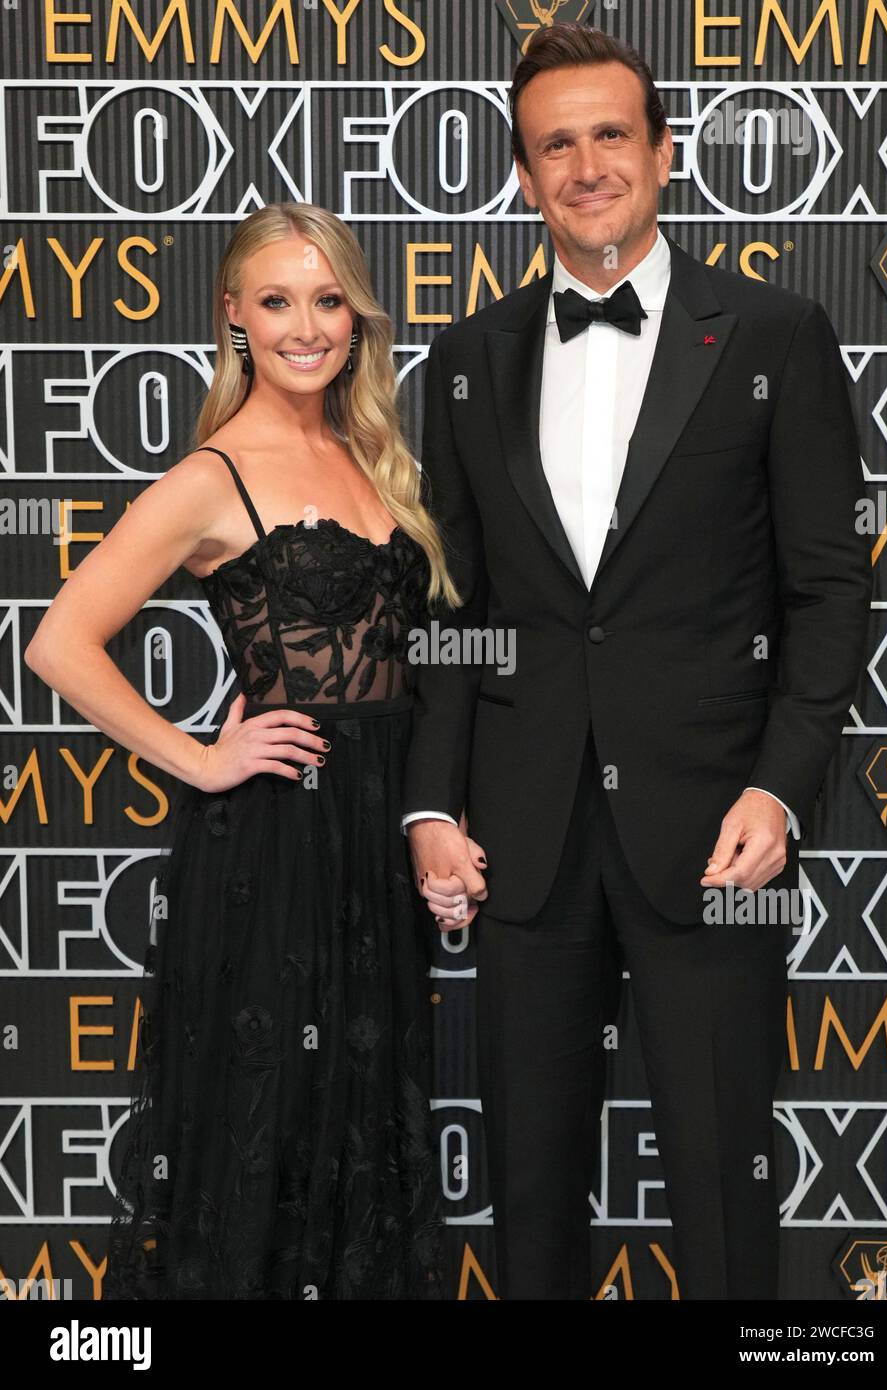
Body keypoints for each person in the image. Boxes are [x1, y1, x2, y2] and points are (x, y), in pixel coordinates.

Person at [402, 26, 872, 1299]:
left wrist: (777, 791)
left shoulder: (776, 335)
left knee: (724, 1197)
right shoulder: (465, 362)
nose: (588, 163)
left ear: (665, 156)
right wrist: (433, 803)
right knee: (532, 1203)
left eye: (613, 134)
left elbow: (830, 590)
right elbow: (454, 609)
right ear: (521, 173)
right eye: (558, 142)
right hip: (523, 838)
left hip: (714, 832)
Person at [25, 202, 464, 1299]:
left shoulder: (379, 455)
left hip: (379, 844)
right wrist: (200, 757)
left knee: (367, 1122)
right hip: (275, 839)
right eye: (276, 301)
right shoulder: (213, 476)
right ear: (234, 316)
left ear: (357, 315)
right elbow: (60, 642)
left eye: (327, 300)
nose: (305, 326)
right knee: (264, 1125)